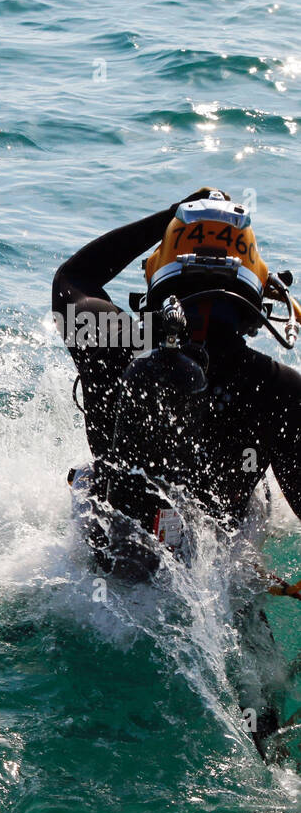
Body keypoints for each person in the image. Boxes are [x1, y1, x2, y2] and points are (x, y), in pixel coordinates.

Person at [53, 188, 301, 581]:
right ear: (253, 298)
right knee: (258, 501)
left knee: (91, 477)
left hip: (112, 551)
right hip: (217, 565)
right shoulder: (280, 388)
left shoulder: (112, 344)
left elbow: (74, 276)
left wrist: (170, 215)